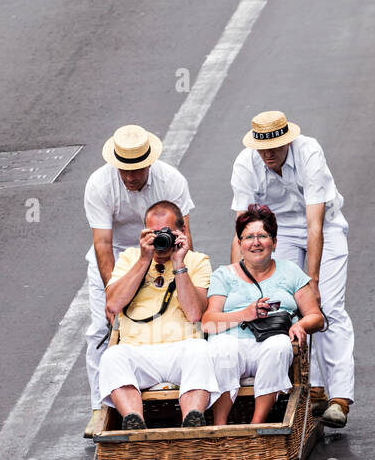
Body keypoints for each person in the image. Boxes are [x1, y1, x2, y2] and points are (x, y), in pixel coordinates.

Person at [230, 111, 355, 427]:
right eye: (263, 148)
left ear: (288, 141)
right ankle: (312, 387)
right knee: (283, 307)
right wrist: (236, 281)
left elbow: (315, 224)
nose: (269, 155)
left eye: (275, 146)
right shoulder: (246, 164)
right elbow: (240, 229)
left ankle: (340, 397)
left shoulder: (309, 151)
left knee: (328, 306)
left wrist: (311, 281)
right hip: (279, 231)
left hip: (325, 226)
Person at [83, 124, 194, 411]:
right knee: (100, 330)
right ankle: (100, 408)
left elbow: (185, 235)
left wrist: (184, 273)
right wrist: (113, 294)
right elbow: (103, 244)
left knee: (172, 320)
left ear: (149, 162)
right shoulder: (98, 184)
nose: (130, 177)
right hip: (118, 254)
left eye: (137, 170)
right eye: (124, 170)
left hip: (163, 254)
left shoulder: (172, 180)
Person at [98, 201, 219, 430]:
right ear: (144, 232)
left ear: (182, 232)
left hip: (181, 348)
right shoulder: (130, 258)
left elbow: (195, 314)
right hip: (137, 351)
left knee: (201, 350)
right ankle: (134, 423)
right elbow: (113, 304)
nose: (160, 238)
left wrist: (179, 264)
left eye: (166, 232)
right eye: (154, 233)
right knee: (112, 357)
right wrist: (144, 259)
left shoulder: (197, 261)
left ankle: (192, 420)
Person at [202, 205, 324, 425]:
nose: (255, 242)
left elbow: (316, 316)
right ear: (239, 244)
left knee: (278, 344)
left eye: (263, 236)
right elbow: (208, 322)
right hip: (233, 344)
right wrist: (245, 314)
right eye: (248, 237)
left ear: (274, 242)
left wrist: (301, 325)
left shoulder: (290, 271)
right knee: (223, 348)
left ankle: (257, 425)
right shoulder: (224, 275)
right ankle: (219, 426)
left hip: (270, 344)